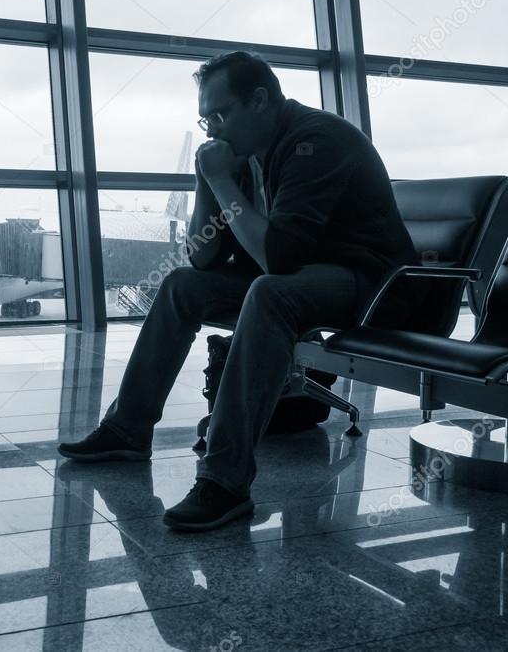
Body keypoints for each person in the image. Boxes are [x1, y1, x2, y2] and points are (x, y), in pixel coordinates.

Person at [58, 51, 419, 532]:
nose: (212, 130)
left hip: (371, 285)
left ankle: (224, 482)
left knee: (270, 292)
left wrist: (222, 178)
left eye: (221, 115)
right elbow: (202, 257)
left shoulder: (316, 141)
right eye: (205, 119)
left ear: (261, 101)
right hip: (302, 278)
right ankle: (127, 428)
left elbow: (278, 260)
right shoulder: (243, 153)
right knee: (181, 285)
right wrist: (208, 179)